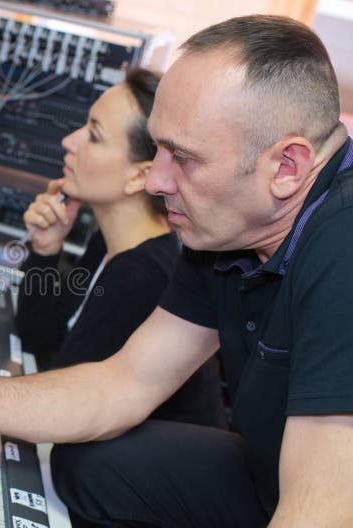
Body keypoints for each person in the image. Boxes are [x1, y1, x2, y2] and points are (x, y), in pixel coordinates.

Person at [0, 15, 353, 528]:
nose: (156, 182)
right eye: (158, 148)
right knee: (91, 466)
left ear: (286, 168)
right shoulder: (221, 232)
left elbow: (321, 515)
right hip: (270, 479)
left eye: (184, 159)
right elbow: (121, 384)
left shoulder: (342, 247)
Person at [16, 68, 225, 428]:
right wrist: (46, 247)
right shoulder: (111, 242)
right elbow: (39, 335)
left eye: (94, 135)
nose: (70, 140)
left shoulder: (144, 276)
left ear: (139, 176)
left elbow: (58, 408)